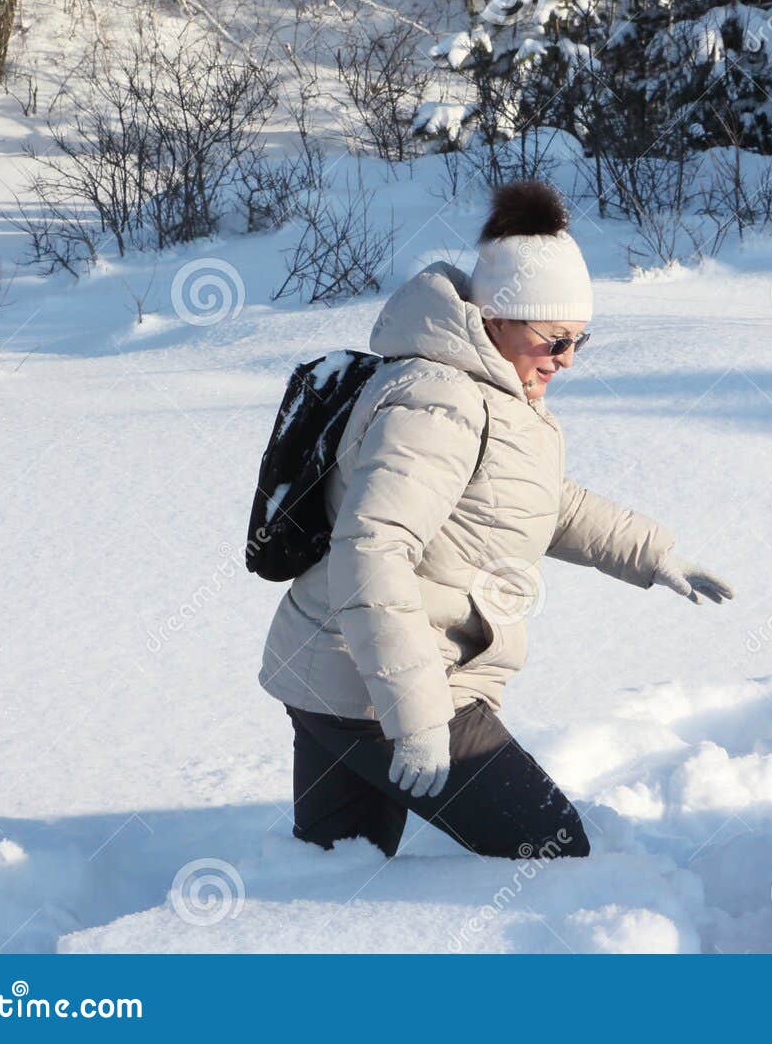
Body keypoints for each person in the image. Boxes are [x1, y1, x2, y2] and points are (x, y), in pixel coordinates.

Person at [258, 180, 734, 860]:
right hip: (384, 690)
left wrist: (651, 553)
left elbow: (539, 498)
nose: (566, 359)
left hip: (333, 676)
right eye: (555, 338)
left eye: (580, 340)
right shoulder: (439, 401)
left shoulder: (486, 392)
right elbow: (372, 554)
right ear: (498, 318)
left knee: (339, 874)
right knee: (553, 852)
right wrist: (418, 719)